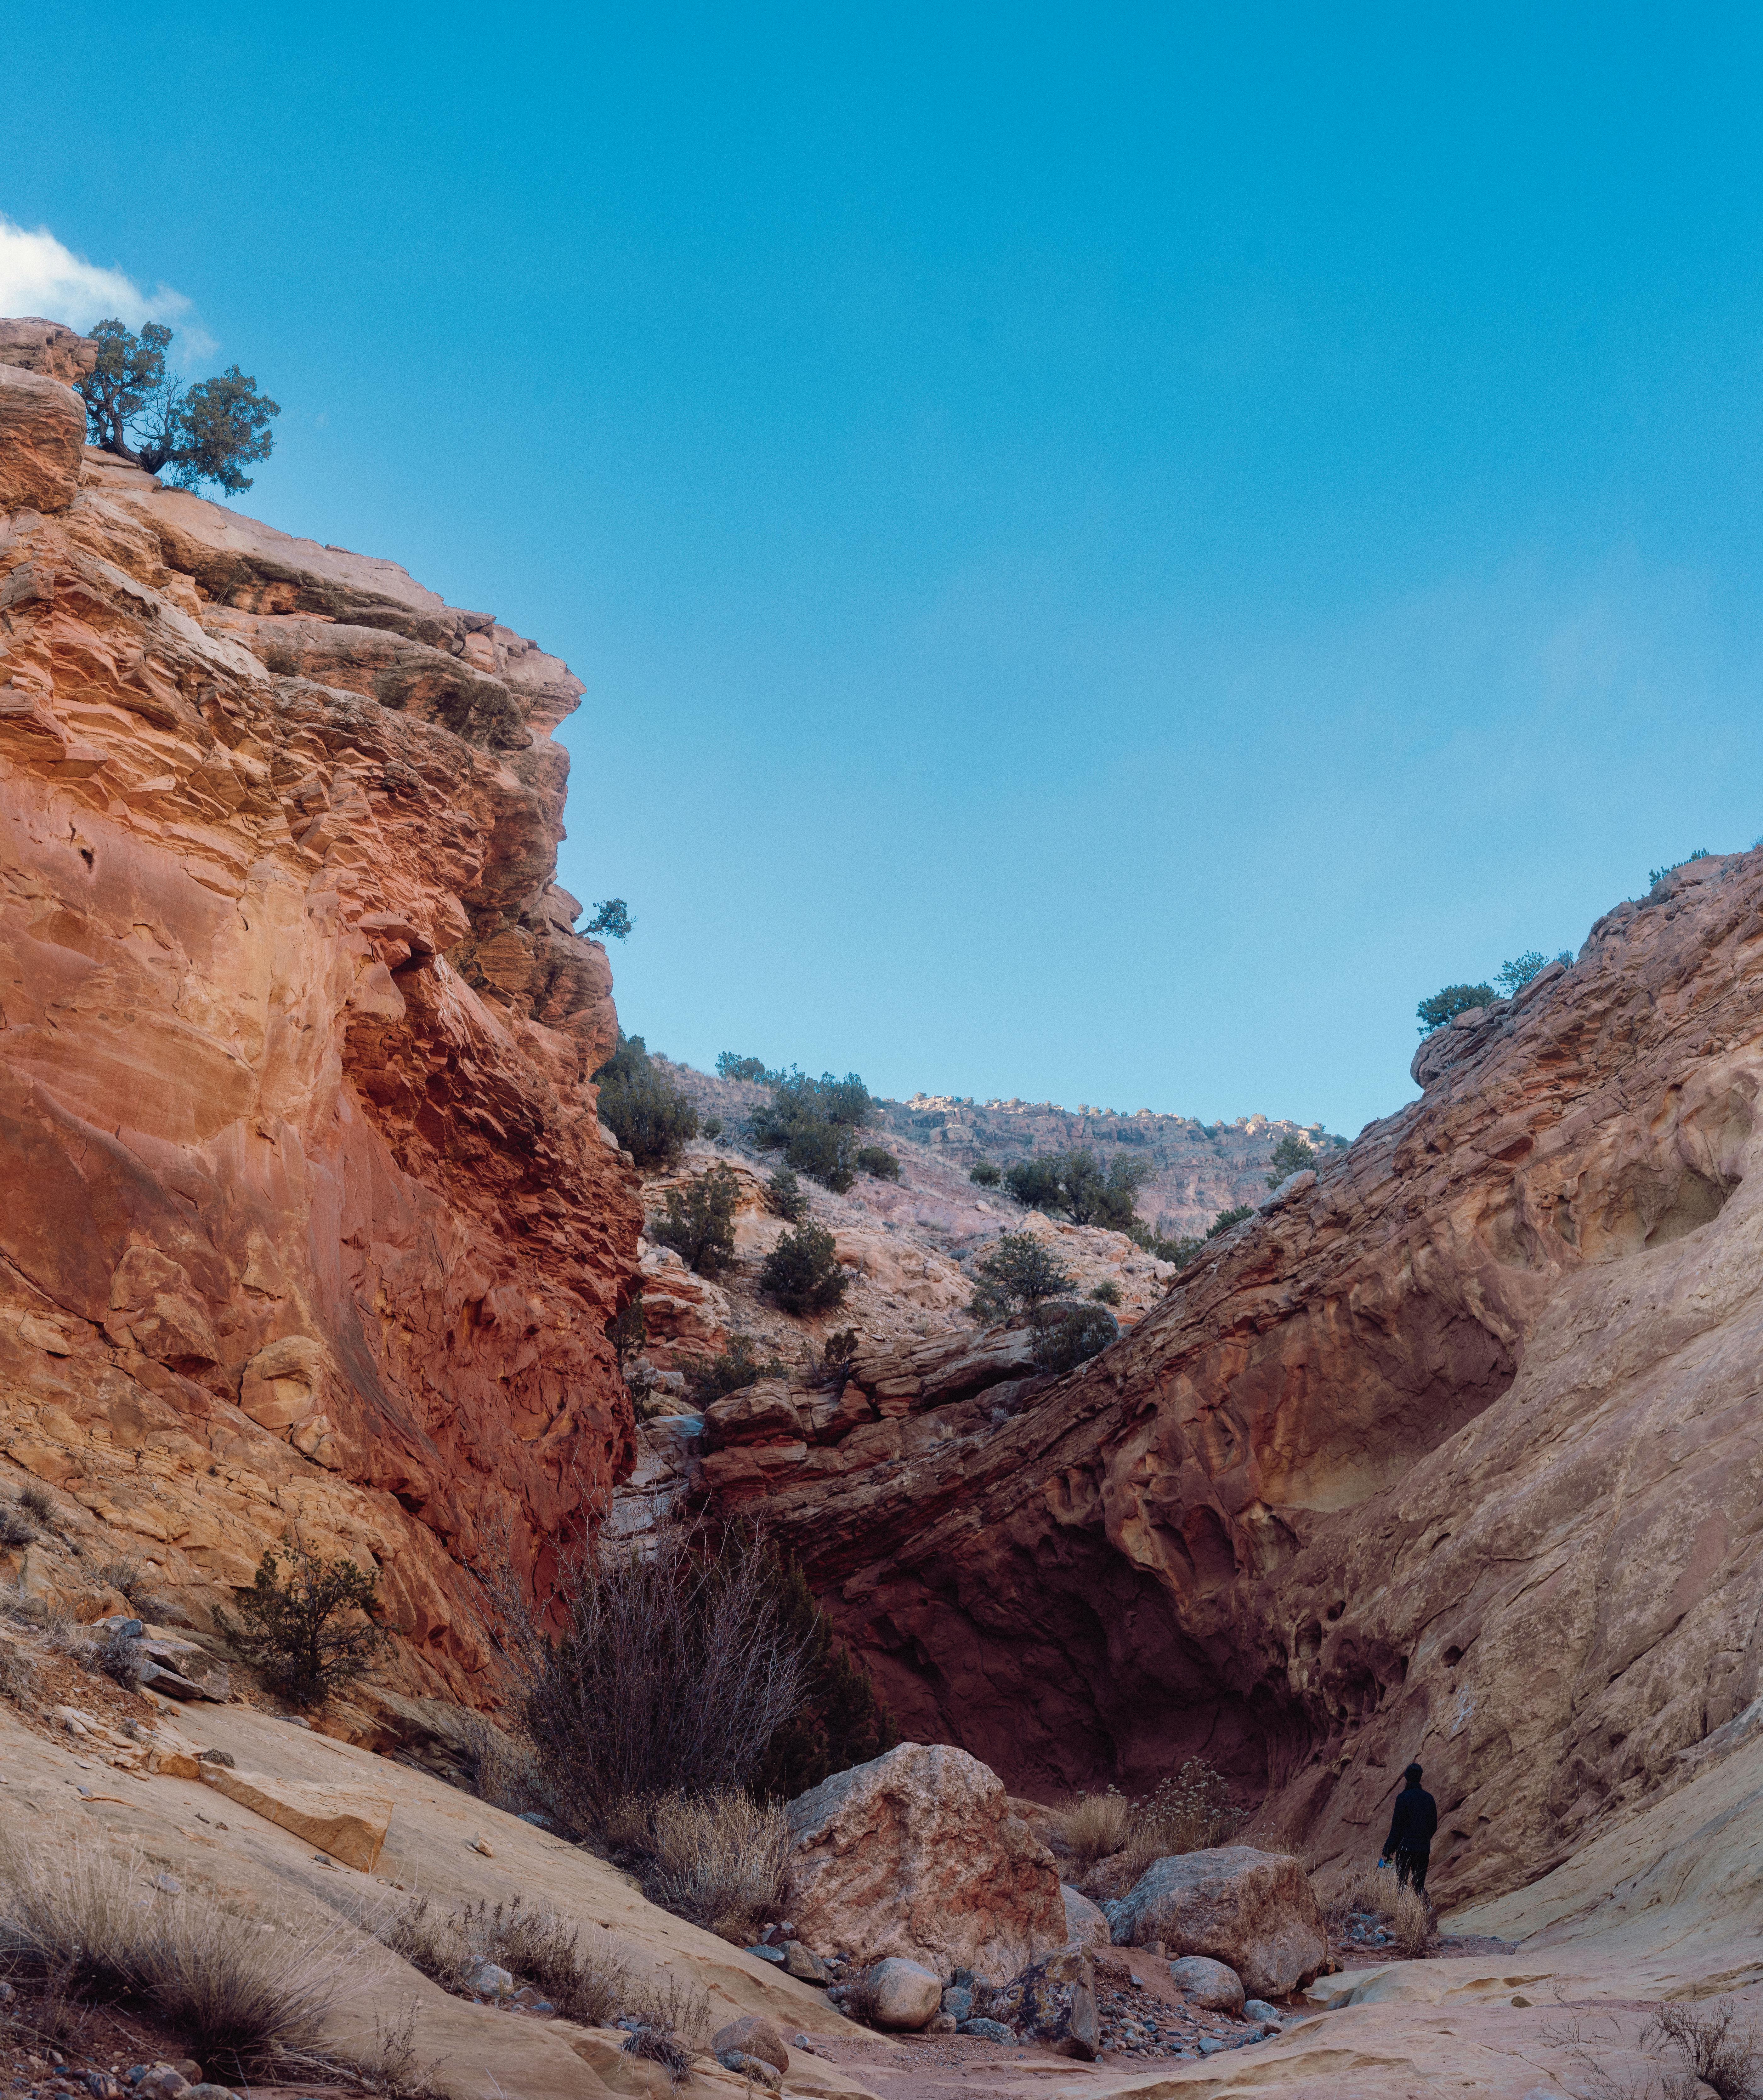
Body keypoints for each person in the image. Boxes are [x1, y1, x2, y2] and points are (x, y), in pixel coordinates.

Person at [1380, 1762, 1438, 1895]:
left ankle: (1402, 1913)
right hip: (1423, 1849)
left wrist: (1389, 1849)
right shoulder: (1429, 1798)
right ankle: (1427, 1910)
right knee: (1419, 1886)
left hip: (1405, 1849)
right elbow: (1434, 1825)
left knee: (1402, 1885)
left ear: (1407, 1777)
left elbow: (1397, 1827)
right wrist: (1423, 1839)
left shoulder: (1402, 1798)